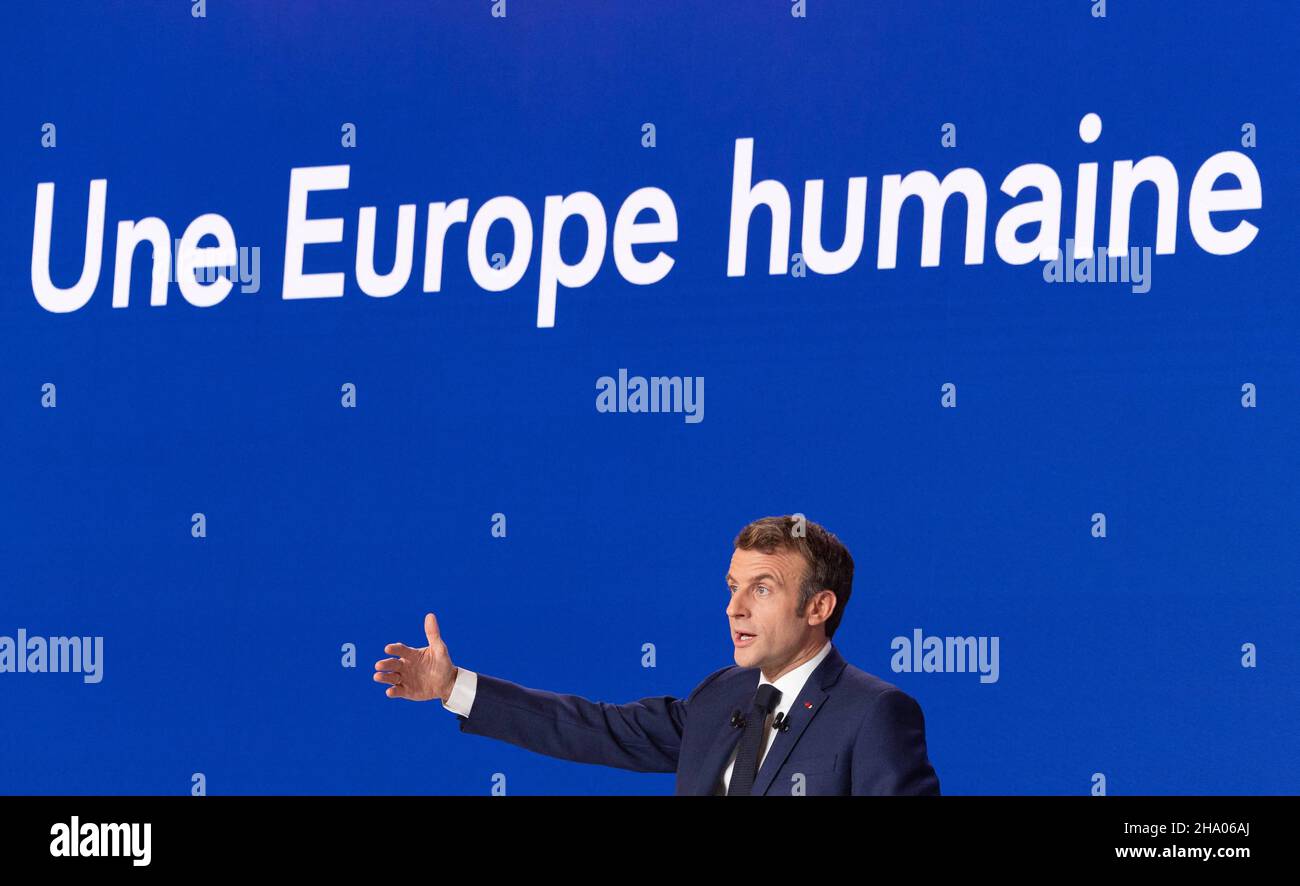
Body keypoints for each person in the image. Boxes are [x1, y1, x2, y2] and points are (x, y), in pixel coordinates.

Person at [374, 515, 941, 795]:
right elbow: (595, 729)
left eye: (761, 589)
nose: (734, 609)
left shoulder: (874, 713)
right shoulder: (721, 696)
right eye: (731, 588)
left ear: (818, 607)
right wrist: (455, 688)